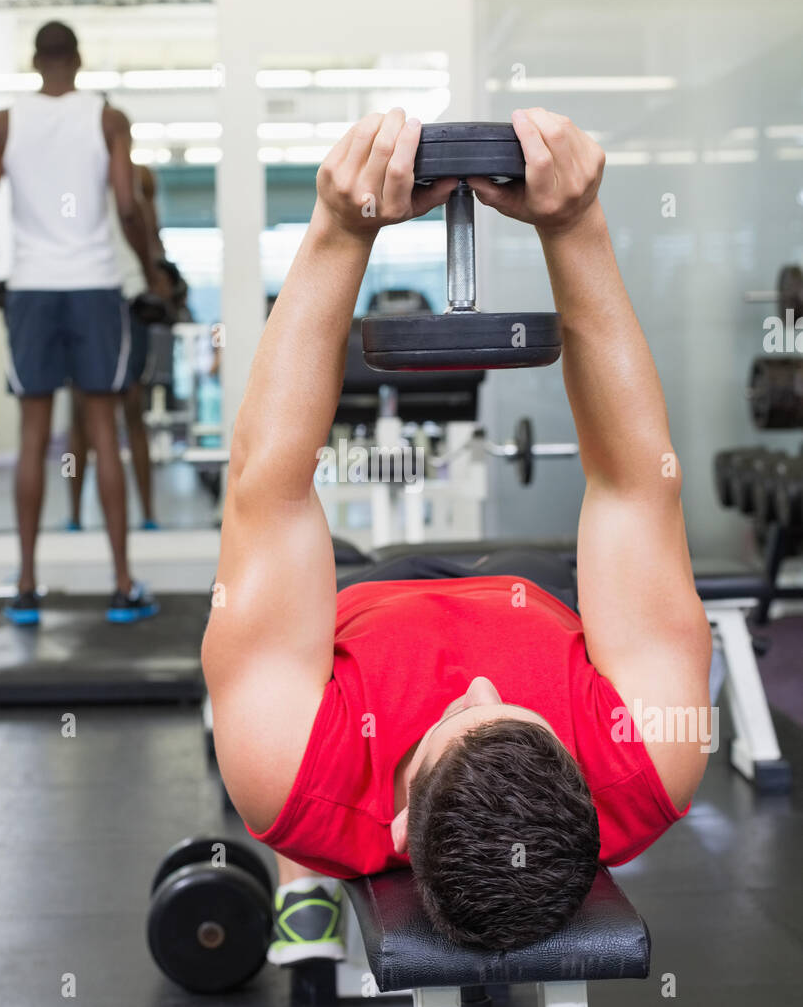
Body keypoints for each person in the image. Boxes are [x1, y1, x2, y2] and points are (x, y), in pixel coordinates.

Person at [201, 108, 713, 959]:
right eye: (515, 714)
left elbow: (269, 480)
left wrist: (338, 231)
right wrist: (576, 226)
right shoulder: (646, 758)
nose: (477, 683)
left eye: (461, 717)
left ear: (401, 827)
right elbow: (635, 484)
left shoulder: (284, 766)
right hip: (526, 591)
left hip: (360, 615)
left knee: (272, 700)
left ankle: (306, 874)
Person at [0, 20, 160, 625]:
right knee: (103, 432)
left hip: (31, 290)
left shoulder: (5, 122)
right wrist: (154, 272)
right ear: (76, 61)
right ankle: (123, 584)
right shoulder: (107, 117)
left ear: (34, 61)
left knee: (33, 434)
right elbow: (128, 204)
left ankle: (26, 586)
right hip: (95, 287)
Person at [68, 162, 165, 532]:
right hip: (93, 295)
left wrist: (155, 279)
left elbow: (151, 232)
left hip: (125, 296)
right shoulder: (76, 176)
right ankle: (76, 516)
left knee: (127, 409)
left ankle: (147, 514)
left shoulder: (140, 177)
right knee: (87, 415)